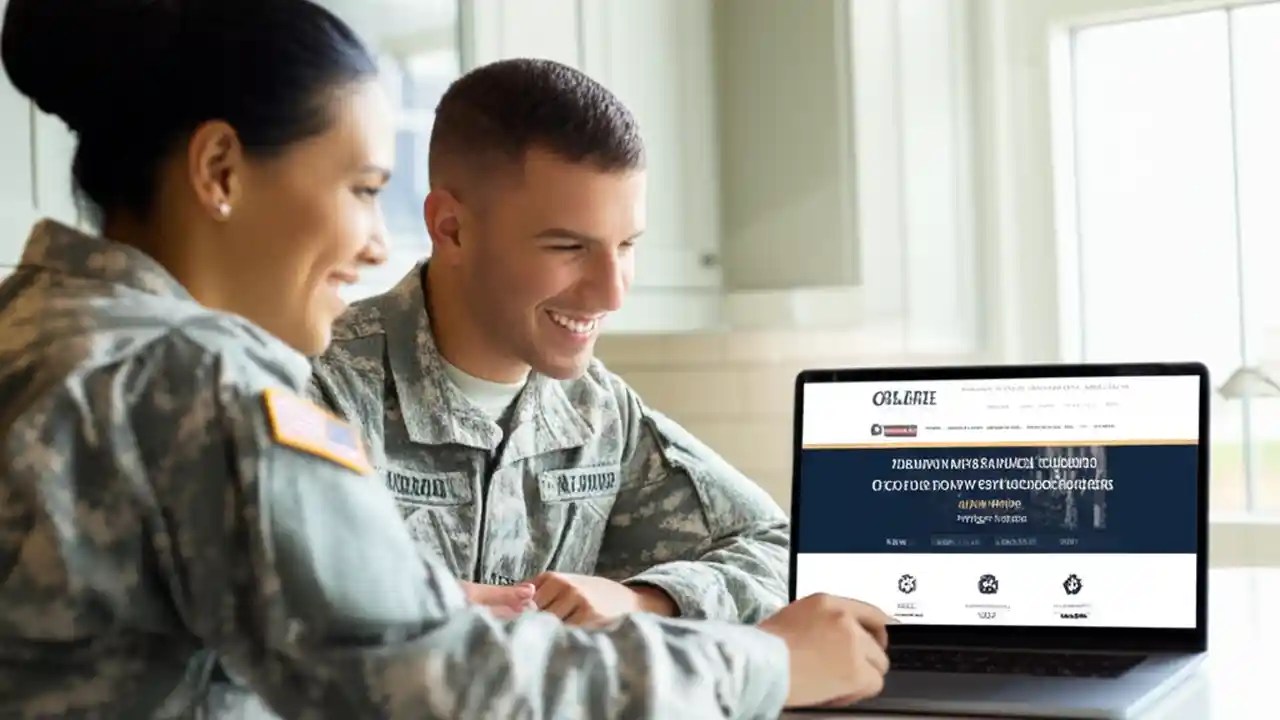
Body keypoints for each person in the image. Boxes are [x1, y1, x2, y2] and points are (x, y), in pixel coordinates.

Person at [0, 1, 893, 718]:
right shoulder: (203, 384)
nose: (369, 244)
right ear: (221, 171)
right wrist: (767, 665)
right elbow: (442, 687)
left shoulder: (40, 330)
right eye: (360, 191)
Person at [310, 58, 791, 628]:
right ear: (451, 229)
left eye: (627, 245)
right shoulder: (317, 386)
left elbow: (778, 552)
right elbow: (281, 602)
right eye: (568, 248)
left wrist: (644, 599)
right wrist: (426, 607)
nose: (611, 293)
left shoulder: (600, 414)